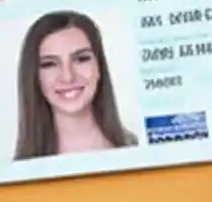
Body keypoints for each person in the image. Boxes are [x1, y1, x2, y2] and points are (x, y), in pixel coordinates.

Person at [14, 11, 139, 160]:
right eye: (49, 64)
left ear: (99, 67)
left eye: (81, 59)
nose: (68, 77)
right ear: (35, 76)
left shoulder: (138, 152)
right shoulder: (16, 174)